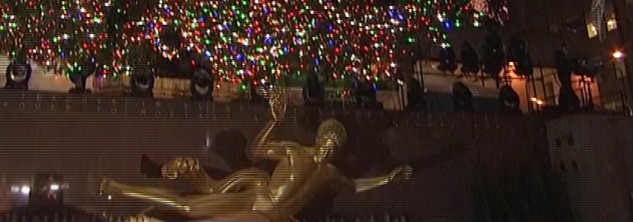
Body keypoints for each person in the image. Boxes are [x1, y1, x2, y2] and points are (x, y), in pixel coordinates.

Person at [101, 87, 411, 221]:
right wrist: (275, 120)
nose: (330, 149)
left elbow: (355, 185)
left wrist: (388, 178)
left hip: (280, 218)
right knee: (187, 206)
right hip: (257, 200)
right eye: (328, 141)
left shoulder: (329, 173)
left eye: (335, 147)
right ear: (319, 138)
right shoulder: (294, 153)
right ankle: (121, 188)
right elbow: (256, 149)